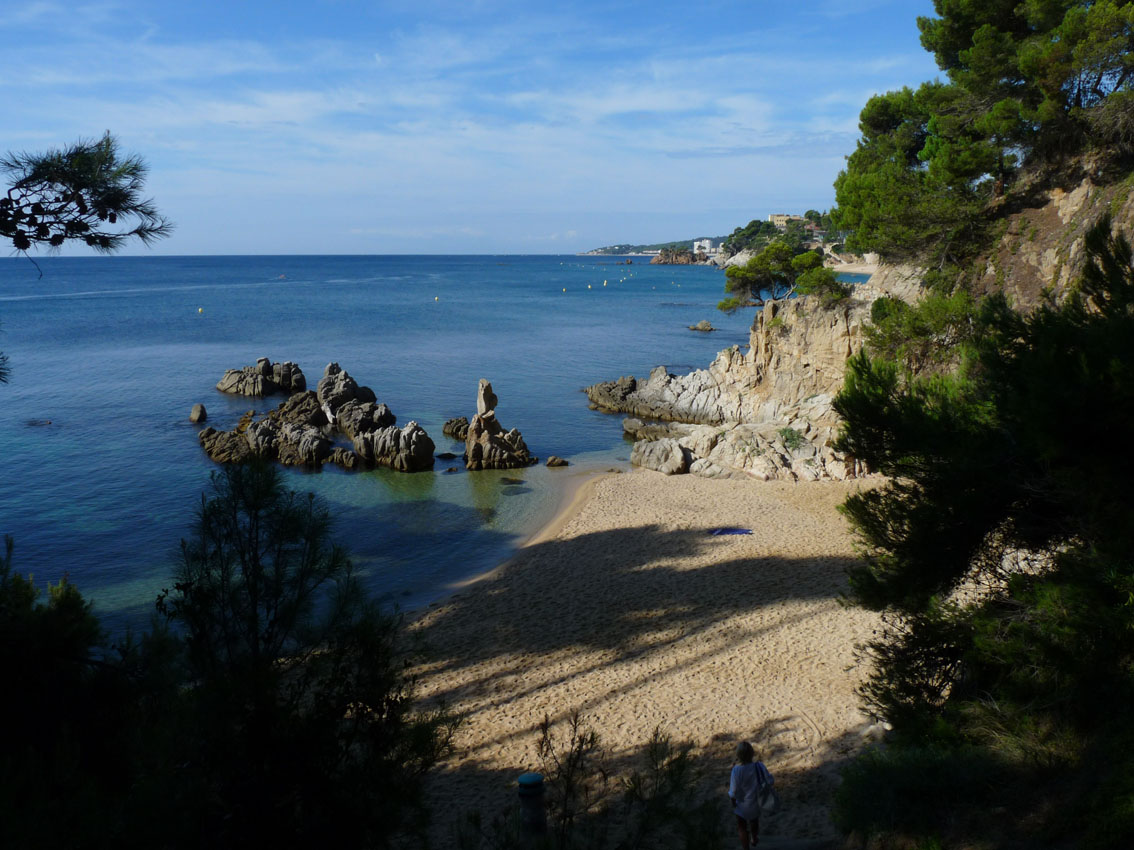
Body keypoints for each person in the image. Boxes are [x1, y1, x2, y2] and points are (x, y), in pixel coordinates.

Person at [729, 741, 773, 848]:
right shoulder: (759, 766)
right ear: (752, 753)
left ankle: (746, 847)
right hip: (755, 801)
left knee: (742, 827)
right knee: (754, 821)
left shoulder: (736, 770)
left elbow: (733, 790)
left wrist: (733, 800)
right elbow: (770, 781)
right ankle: (754, 837)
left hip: (741, 803)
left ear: (738, 755)